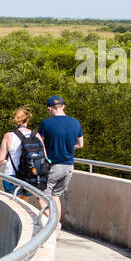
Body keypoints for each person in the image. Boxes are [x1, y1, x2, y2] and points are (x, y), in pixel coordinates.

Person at [37, 95, 84, 223]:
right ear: (63, 106)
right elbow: (80, 144)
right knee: (56, 197)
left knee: (41, 196)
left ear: (50, 108)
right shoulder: (75, 123)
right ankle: (56, 226)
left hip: (53, 166)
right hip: (69, 166)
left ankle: (53, 222)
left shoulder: (46, 123)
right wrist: (68, 145)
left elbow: (40, 144)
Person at [0, 107, 40, 196]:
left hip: (12, 175)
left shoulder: (9, 136)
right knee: (24, 200)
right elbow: (44, 156)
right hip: (31, 175)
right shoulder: (36, 135)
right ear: (27, 120)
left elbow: (1, 158)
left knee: (12, 201)